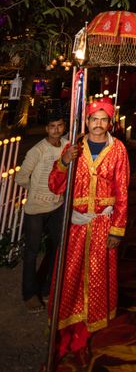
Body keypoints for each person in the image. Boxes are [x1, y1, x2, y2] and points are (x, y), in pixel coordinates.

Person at [48, 96, 130, 362]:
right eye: (94, 119)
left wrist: (117, 230)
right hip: (75, 227)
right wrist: (63, 163)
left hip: (103, 228)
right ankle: (62, 338)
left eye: (103, 120)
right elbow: (55, 185)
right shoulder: (74, 149)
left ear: (110, 122)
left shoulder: (118, 150)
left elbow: (122, 192)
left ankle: (84, 339)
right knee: (68, 280)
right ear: (86, 121)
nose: (98, 124)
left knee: (96, 282)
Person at [15, 114, 67, 313]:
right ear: (46, 128)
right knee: (32, 251)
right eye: (52, 126)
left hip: (57, 206)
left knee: (57, 247)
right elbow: (20, 177)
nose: (56, 129)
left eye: (59, 125)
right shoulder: (37, 151)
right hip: (36, 208)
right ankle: (29, 294)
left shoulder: (66, 145)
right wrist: (35, 189)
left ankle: (48, 288)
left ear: (63, 127)